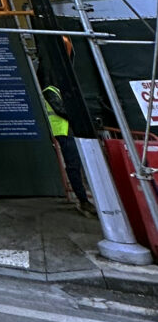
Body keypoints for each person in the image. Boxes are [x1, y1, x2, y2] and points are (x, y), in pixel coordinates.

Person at [41, 77, 93, 217]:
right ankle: (83, 200)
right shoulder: (50, 91)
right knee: (73, 166)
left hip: (71, 132)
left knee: (78, 166)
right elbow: (61, 110)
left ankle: (85, 198)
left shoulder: (60, 93)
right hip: (63, 133)